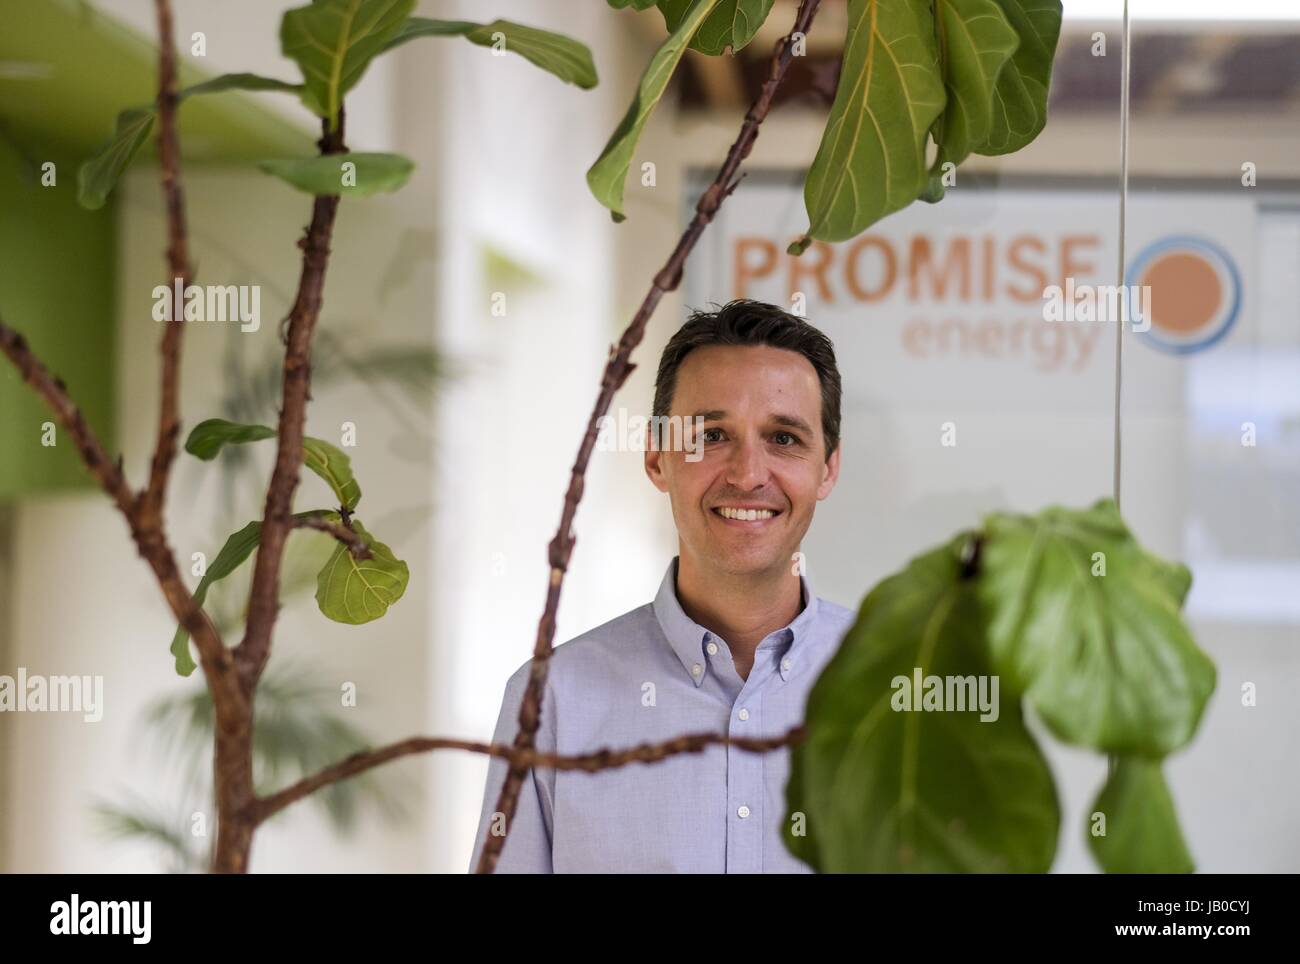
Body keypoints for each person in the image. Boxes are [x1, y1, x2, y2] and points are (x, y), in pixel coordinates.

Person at [469, 299, 852, 873]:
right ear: (656, 456)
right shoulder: (551, 703)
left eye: (785, 439)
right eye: (712, 434)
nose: (748, 475)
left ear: (828, 468)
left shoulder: (901, 687)